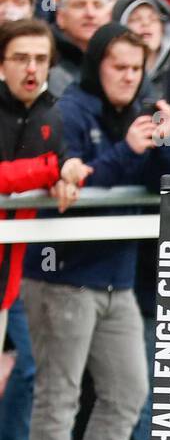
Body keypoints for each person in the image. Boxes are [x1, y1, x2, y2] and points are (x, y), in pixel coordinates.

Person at [23, 23, 170, 440]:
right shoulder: (66, 112)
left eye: (137, 68)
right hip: (63, 277)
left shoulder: (140, 112)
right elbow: (75, 192)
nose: (129, 77)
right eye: (119, 67)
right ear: (97, 65)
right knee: (60, 396)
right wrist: (127, 150)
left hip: (118, 282)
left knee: (129, 393)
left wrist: (168, 140)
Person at [0, 19, 88, 351]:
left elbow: (67, 164)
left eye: (40, 59)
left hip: (8, 280)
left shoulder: (52, 113)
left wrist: (64, 182)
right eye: (21, 58)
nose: (31, 68)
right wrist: (52, 171)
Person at [47, 0, 111, 98]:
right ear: (61, 17)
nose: (90, 14)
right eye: (80, 5)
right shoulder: (46, 60)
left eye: (97, 6)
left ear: (108, 17)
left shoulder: (121, 58)